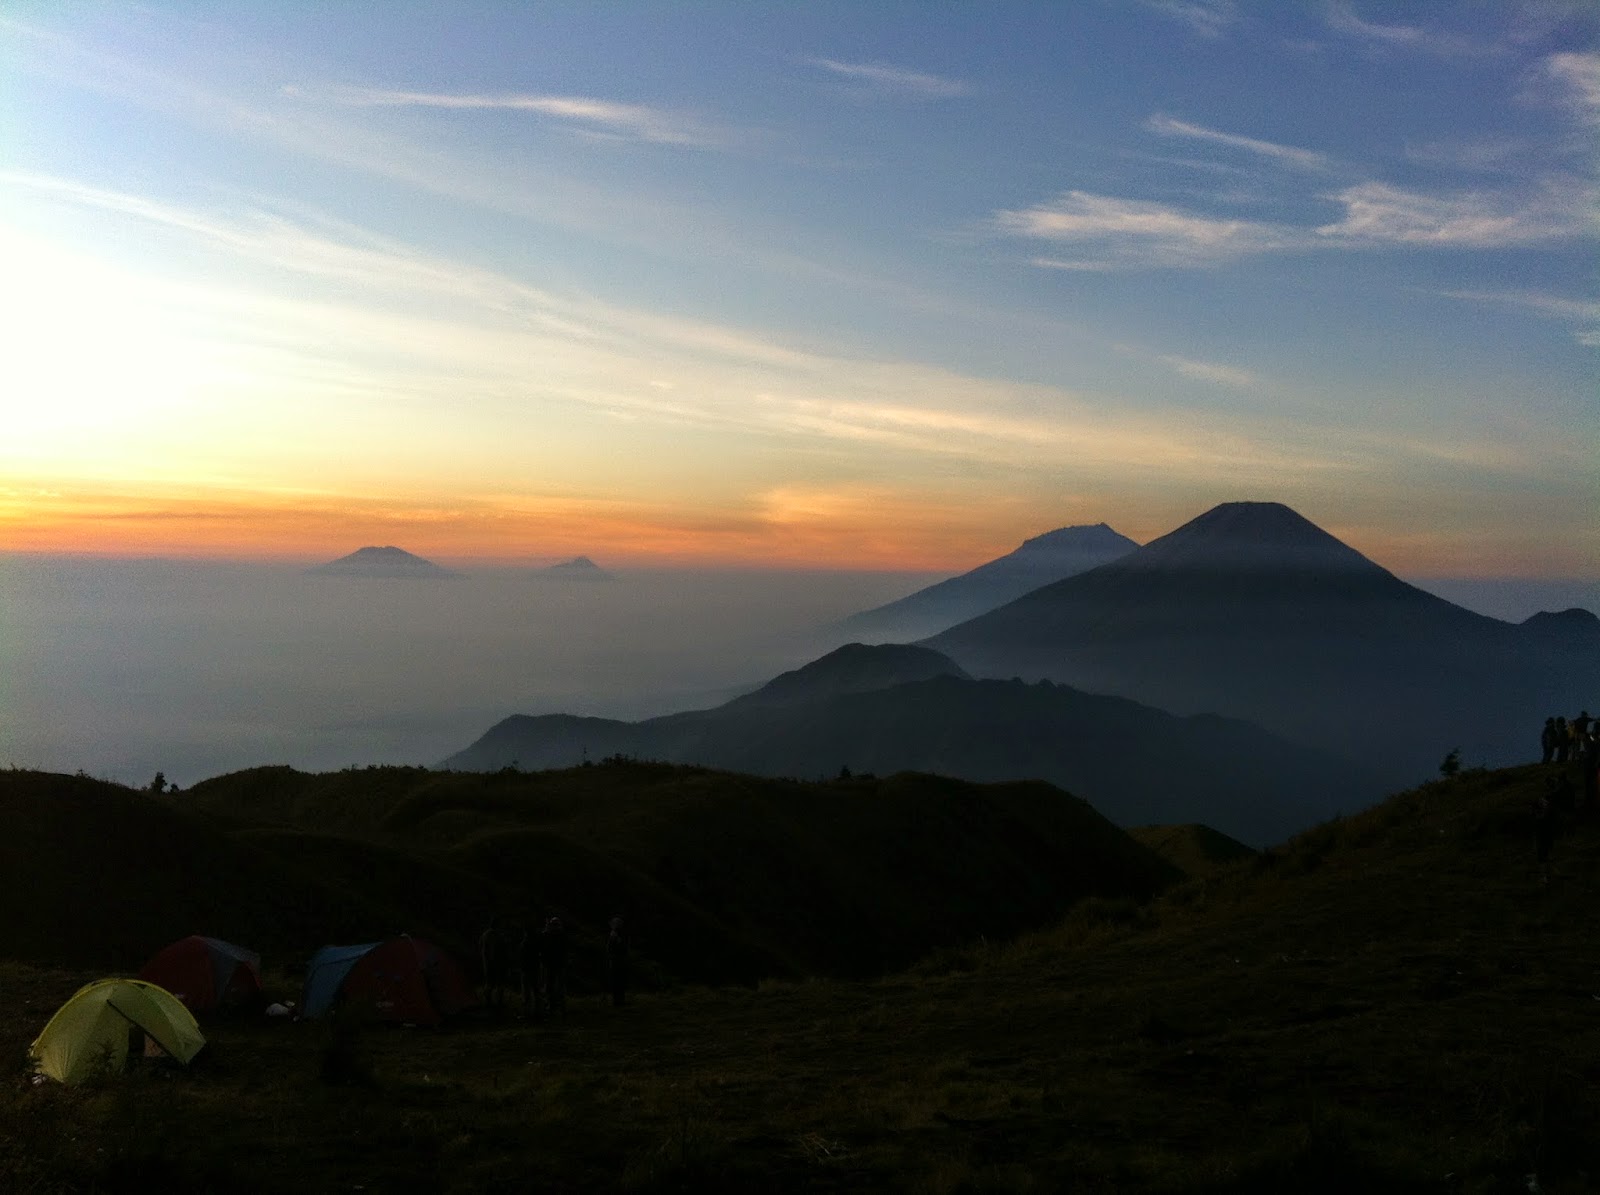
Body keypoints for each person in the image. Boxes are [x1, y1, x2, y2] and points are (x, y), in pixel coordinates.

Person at [540, 917, 568, 1018]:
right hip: (559, 964)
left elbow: (543, 943)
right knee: (559, 987)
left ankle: (551, 1006)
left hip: (550, 964)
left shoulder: (548, 935)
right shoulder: (562, 935)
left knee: (549, 986)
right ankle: (561, 1007)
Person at [479, 917, 509, 1013]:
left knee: (489, 983)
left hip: (487, 963)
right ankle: (498, 1002)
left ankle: (488, 1001)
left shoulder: (485, 935)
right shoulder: (497, 935)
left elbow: (480, 946)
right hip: (497, 963)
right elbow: (499, 950)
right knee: (499, 983)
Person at [606, 916, 629, 1008]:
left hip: (619, 961)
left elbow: (623, 948)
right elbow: (609, 948)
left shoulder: (620, 934)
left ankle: (619, 1000)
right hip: (616, 961)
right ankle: (617, 1000)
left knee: (619, 981)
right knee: (616, 981)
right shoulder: (614, 934)